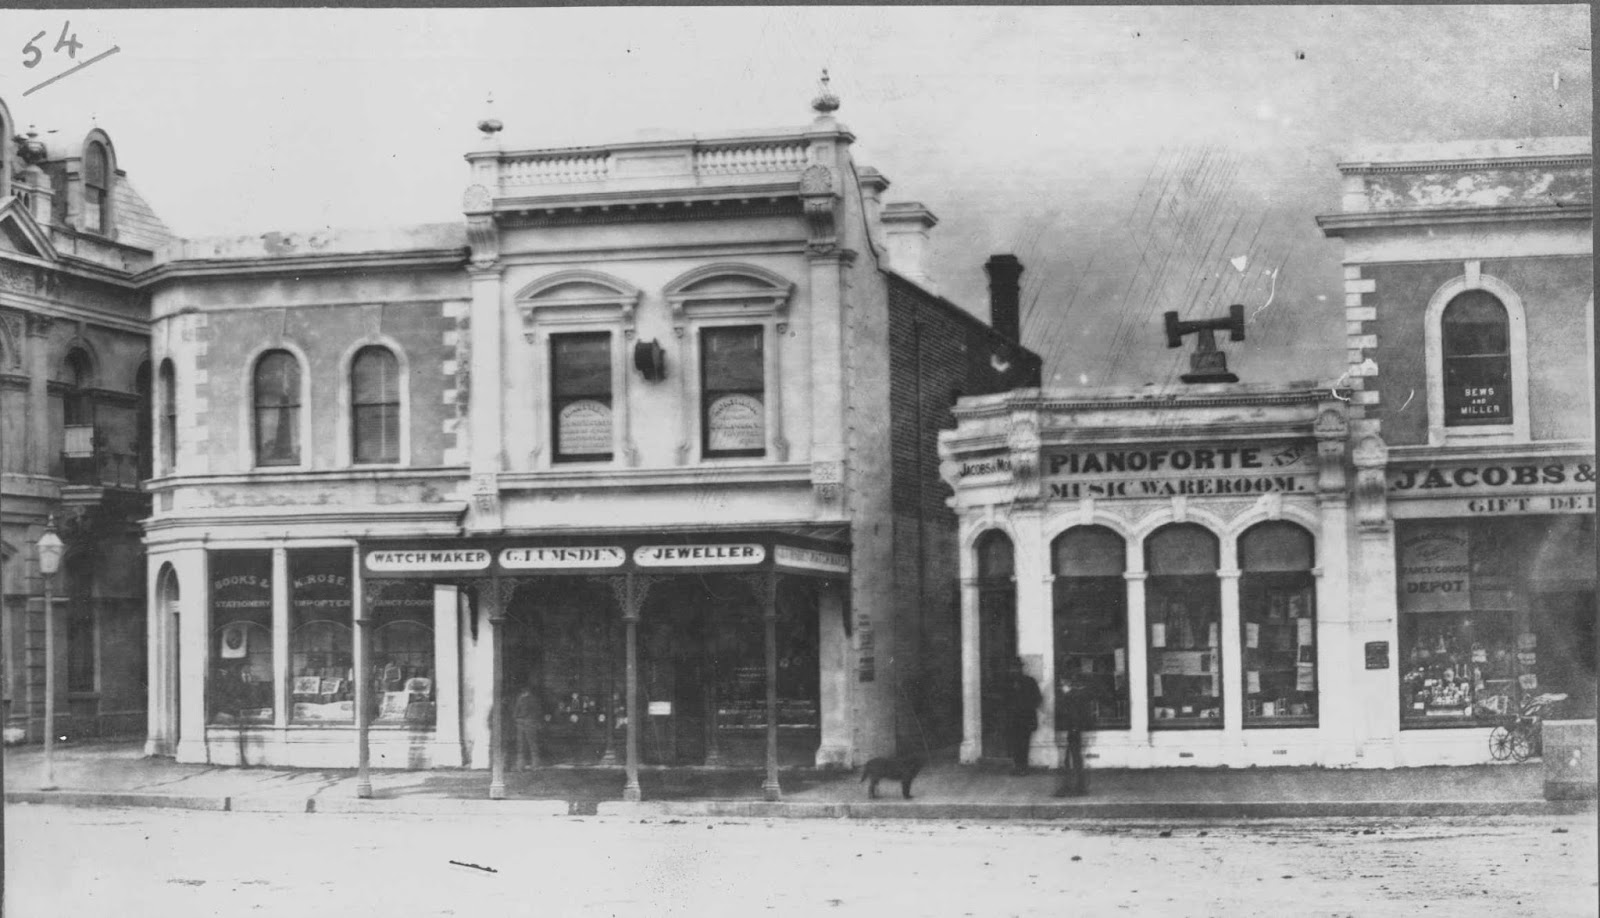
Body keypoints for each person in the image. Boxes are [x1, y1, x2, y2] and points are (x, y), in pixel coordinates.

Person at [1053, 674, 1091, 797]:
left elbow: (1073, 714)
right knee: (1073, 759)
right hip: (1074, 730)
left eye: (1062, 684)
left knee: (1072, 759)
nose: (1061, 687)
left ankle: (1075, 787)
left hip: (1073, 730)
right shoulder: (1074, 695)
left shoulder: (1072, 696)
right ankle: (1077, 786)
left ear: (1067, 684)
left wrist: (1073, 728)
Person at [1005, 658, 1043, 775]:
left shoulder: (1029, 681)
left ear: (1021, 668)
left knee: (1024, 743)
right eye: (1012, 668)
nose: (1014, 670)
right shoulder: (1007, 683)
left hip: (1026, 718)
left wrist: (1026, 706)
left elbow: (1038, 699)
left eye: (1016, 668)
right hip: (1013, 719)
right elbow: (1003, 701)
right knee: (1015, 743)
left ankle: (1023, 767)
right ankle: (1017, 766)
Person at [512, 684, 540, 771]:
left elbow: (516, 712)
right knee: (527, 745)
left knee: (525, 745)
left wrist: (517, 719)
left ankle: (524, 766)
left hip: (525, 723)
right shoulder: (528, 698)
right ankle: (530, 765)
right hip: (527, 723)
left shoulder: (523, 699)